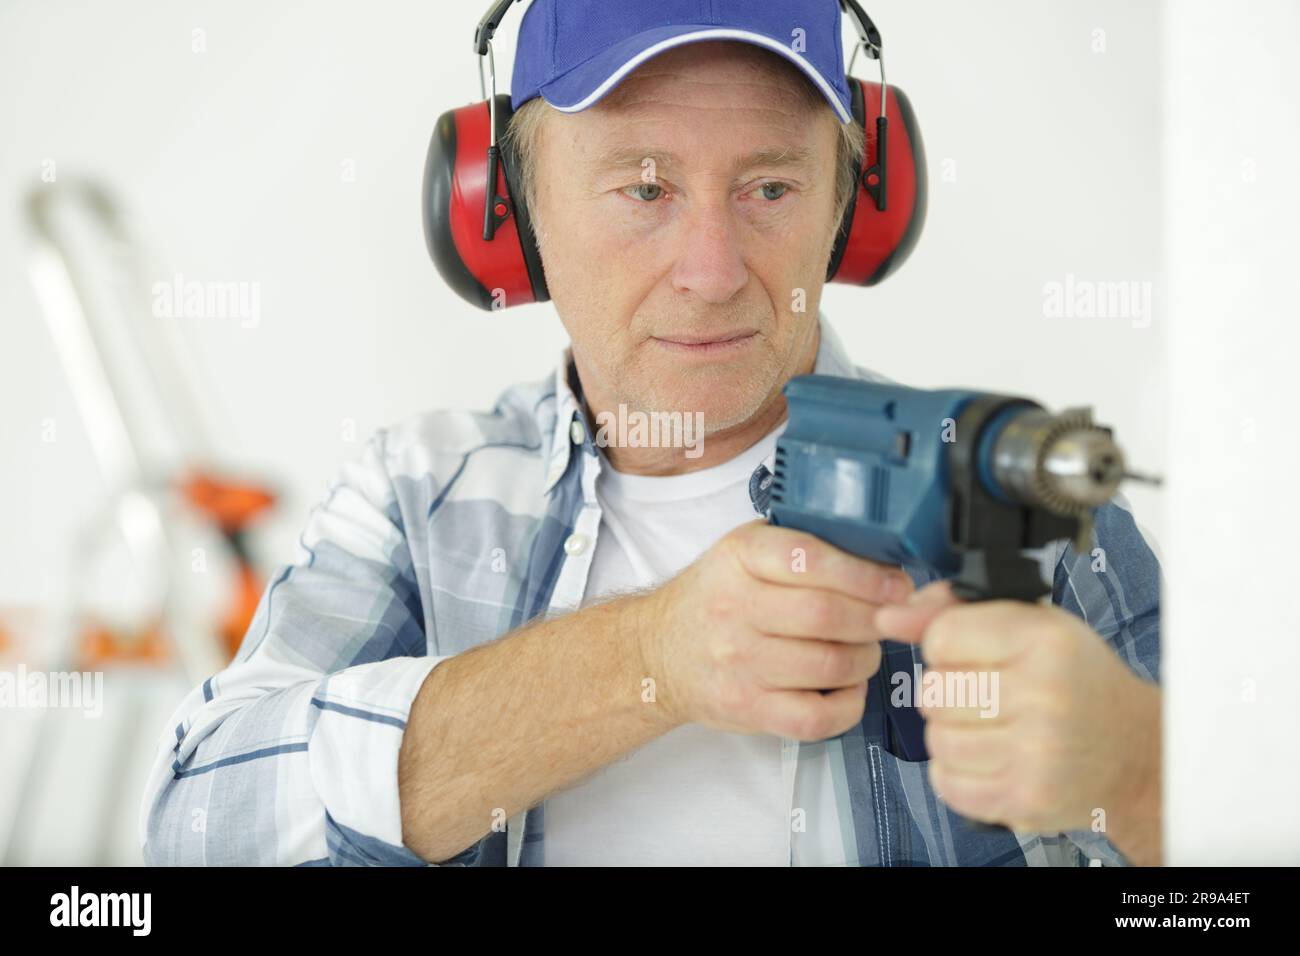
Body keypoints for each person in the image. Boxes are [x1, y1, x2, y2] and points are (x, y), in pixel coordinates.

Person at [140, 0, 1161, 867]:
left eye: (770, 187)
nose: (712, 270)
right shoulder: (419, 495)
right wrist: (652, 655)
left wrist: (1143, 773)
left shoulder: (1013, 488)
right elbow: (195, 825)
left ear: (853, 207)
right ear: (511, 211)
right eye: (644, 187)